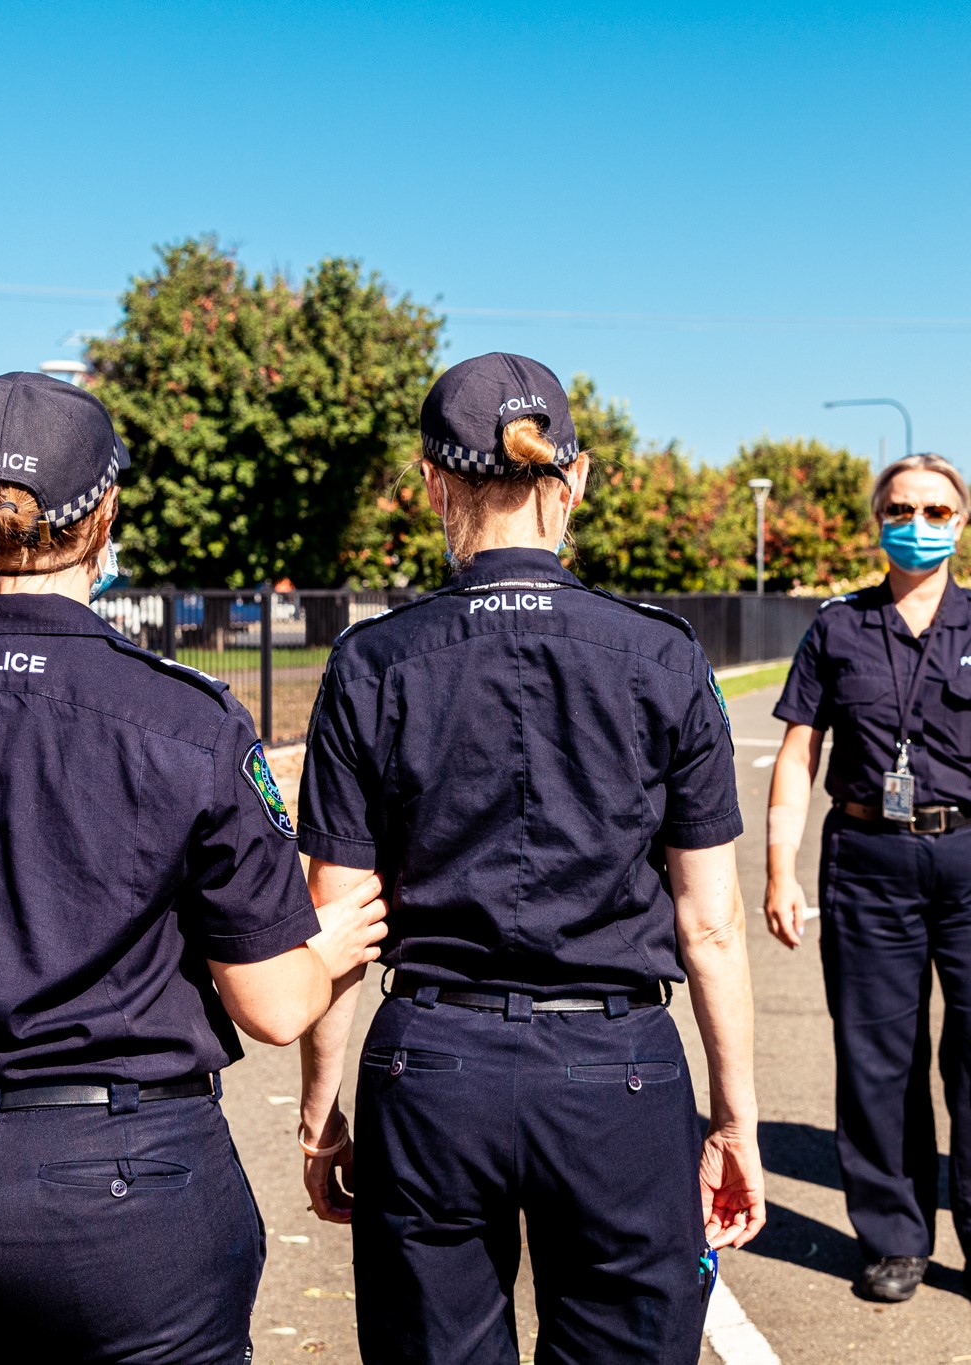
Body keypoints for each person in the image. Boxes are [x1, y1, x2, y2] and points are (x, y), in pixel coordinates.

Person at [293, 351, 765, 1364]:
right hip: (618, 1072)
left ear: (433, 483)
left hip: (432, 1069)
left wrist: (320, 1111)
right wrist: (734, 1119)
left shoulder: (374, 662)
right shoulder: (662, 654)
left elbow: (337, 917)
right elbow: (712, 923)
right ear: (576, 477)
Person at [0, 372, 388, 1362]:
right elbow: (273, 1005)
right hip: (119, 1194)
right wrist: (329, 946)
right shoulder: (183, 718)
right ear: (105, 517)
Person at [764, 453, 971, 1309]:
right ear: (877, 519)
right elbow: (797, 755)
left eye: (936, 510)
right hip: (867, 864)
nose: (918, 523)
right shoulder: (835, 627)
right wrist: (779, 871)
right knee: (877, 1056)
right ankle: (893, 1237)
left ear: (961, 523)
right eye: (901, 508)